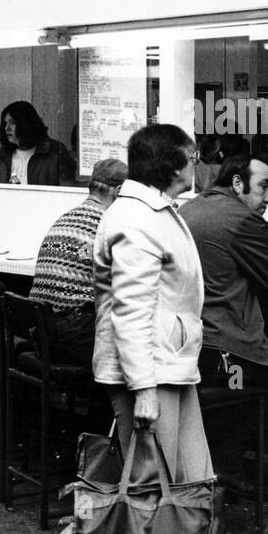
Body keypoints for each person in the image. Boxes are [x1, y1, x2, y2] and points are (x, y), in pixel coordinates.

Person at [92, 124, 212, 482]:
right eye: (193, 158)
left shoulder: (152, 211)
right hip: (150, 369)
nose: (196, 166)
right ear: (174, 167)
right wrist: (143, 389)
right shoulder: (136, 219)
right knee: (151, 486)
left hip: (169, 361)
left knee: (188, 480)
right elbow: (130, 310)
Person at [180, 153, 268, 463]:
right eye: (264, 187)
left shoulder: (189, 209)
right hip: (226, 360)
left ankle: (222, 456)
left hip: (190, 348)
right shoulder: (244, 221)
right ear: (238, 183)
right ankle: (239, 459)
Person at [28, 159, 128, 365]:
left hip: (41, 333)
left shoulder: (64, 219)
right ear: (118, 192)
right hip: (73, 337)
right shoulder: (106, 225)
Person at [0, 100, 76, 186]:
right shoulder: (4, 155)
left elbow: (68, 189)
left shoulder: (55, 150)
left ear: (26, 124)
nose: (7, 128)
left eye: (13, 123)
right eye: (5, 123)